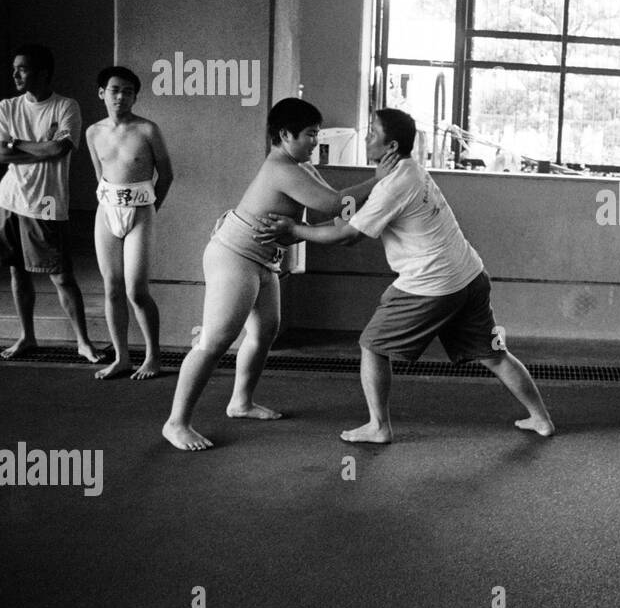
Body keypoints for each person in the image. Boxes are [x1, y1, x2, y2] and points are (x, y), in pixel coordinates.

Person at [257, 108, 555, 444]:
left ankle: (378, 427)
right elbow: (350, 220)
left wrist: (295, 229)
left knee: (372, 346)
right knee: (494, 354)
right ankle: (541, 419)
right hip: (469, 275)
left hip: (432, 284)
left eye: (373, 133)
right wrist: (301, 231)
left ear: (391, 146)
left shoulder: (394, 184)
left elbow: (348, 235)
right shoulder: (411, 170)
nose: (367, 137)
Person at [162, 98, 397, 451]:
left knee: (263, 332)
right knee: (214, 341)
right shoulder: (280, 167)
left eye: (316, 134)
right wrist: (378, 180)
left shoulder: (299, 165)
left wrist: (315, 228)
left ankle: (240, 402)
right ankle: (176, 423)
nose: (315, 141)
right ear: (285, 134)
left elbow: (329, 205)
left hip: (264, 259)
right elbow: (335, 205)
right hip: (234, 255)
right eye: (310, 134)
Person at [0, 44, 103, 363]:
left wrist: (16, 144)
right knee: (17, 271)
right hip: (9, 199)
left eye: (23, 68)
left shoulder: (65, 106)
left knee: (61, 276)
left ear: (42, 73)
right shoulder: (7, 106)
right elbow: (1, 154)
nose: (15, 73)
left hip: (45, 203)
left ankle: (83, 342)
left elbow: (59, 150)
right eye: (15, 67)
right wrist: (34, 147)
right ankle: (27, 336)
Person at [85, 66, 173, 379]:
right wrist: (109, 203)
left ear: (135, 96)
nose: (121, 96)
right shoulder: (93, 132)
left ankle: (153, 356)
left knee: (136, 290)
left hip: (141, 210)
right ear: (102, 93)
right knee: (111, 287)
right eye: (115, 90)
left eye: (128, 91)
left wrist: (150, 209)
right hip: (106, 209)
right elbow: (101, 174)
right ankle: (121, 357)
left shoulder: (148, 129)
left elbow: (166, 174)